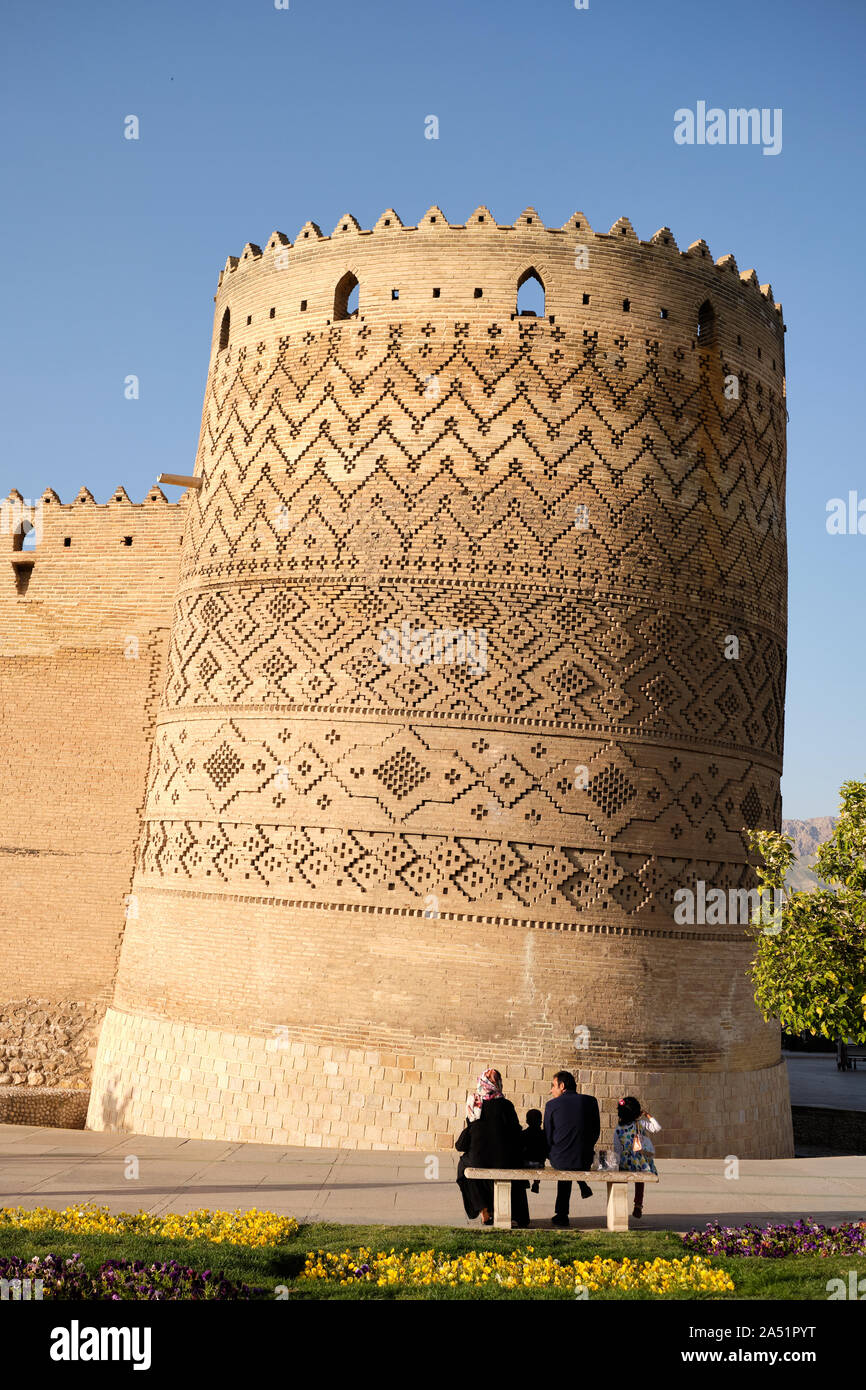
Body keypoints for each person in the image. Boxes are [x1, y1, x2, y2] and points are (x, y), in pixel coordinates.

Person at [455, 1066, 530, 1227]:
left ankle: (483, 1209)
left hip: (479, 1159)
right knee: (512, 1162)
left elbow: (471, 1132)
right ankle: (515, 1214)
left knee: (464, 1166)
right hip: (505, 1160)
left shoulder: (474, 1104)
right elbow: (516, 1132)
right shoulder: (506, 1105)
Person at [543, 1070, 600, 1228]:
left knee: (564, 1162)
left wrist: (548, 1153)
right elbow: (596, 1131)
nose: (551, 1090)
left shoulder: (551, 1105)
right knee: (571, 1157)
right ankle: (582, 1185)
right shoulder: (591, 1101)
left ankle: (562, 1215)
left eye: (553, 1086)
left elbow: (547, 1135)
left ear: (562, 1086)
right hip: (584, 1158)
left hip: (561, 1159)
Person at [613, 1095, 660, 1218]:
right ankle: (638, 1205)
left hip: (625, 1162)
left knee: (620, 1181)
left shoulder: (618, 1129)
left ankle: (619, 1205)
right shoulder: (640, 1124)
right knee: (640, 1182)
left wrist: (617, 1163)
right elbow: (657, 1128)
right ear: (637, 1113)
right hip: (639, 1163)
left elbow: (617, 1149)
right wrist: (647, 1115)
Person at [522, 1108, 548, 1193]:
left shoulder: (524, 1134)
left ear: (527, 1121)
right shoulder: (543, 1134)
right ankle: (536, 1183)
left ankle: (525, 1181)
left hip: (525, 1163)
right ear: (540, 1122)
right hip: (539, 1163)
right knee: (539, 1164)